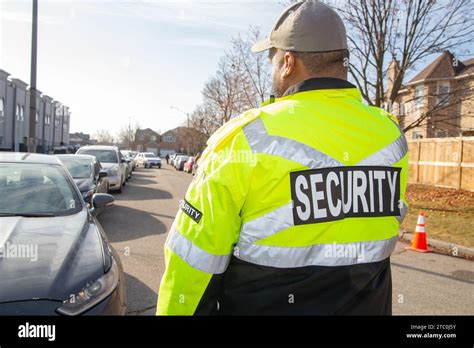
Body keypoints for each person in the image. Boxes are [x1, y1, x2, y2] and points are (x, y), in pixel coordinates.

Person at [157, 0, 408, 315]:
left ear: (288, 62)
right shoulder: (390, 136)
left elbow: (192, 263)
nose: (273, 69)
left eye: (273, 60)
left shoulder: (244, 139)